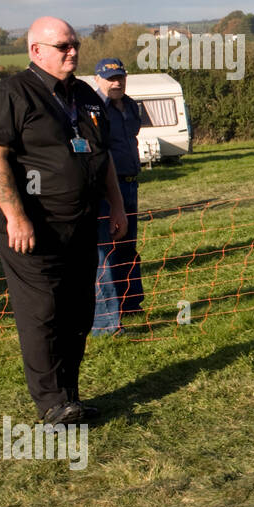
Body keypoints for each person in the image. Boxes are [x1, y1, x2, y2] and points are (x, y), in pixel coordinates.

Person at [0, 16, 126, 426]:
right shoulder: (11, 94)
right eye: (63, 46)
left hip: (81, 221)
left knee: (78, 310)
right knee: (43, 310)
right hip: (31, 225)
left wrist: (115, 206)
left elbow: (104, 157)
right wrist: (15, 216)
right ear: (36, 51)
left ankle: (71, 397)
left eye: (75, 44)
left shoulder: (85, 94)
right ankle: (52, 403)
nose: (73, 52)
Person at [91, 58, 143, 336]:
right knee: (105, 253)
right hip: (107, 190)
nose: (116, 83)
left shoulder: (132, 106)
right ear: (97, 79)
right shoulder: (94, 110)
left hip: (132, 184)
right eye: (110, 78)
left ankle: (132, 305)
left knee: (128, 247)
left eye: (120, 77)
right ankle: (106, 324)